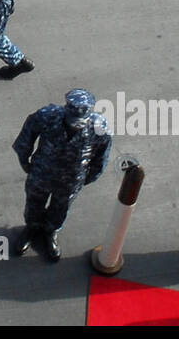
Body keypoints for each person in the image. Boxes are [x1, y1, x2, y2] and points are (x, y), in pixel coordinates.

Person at [12, 89, 113, 261]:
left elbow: (101, 157)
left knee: (60, 208)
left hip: (71, 179)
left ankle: (50, 231)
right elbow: (26, 137)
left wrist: (88, 178)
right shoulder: (47, 116)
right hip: (41, 173)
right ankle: (31, 228)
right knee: (34, 204)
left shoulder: (99, 127)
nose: (74, 125)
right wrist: (25, 161)